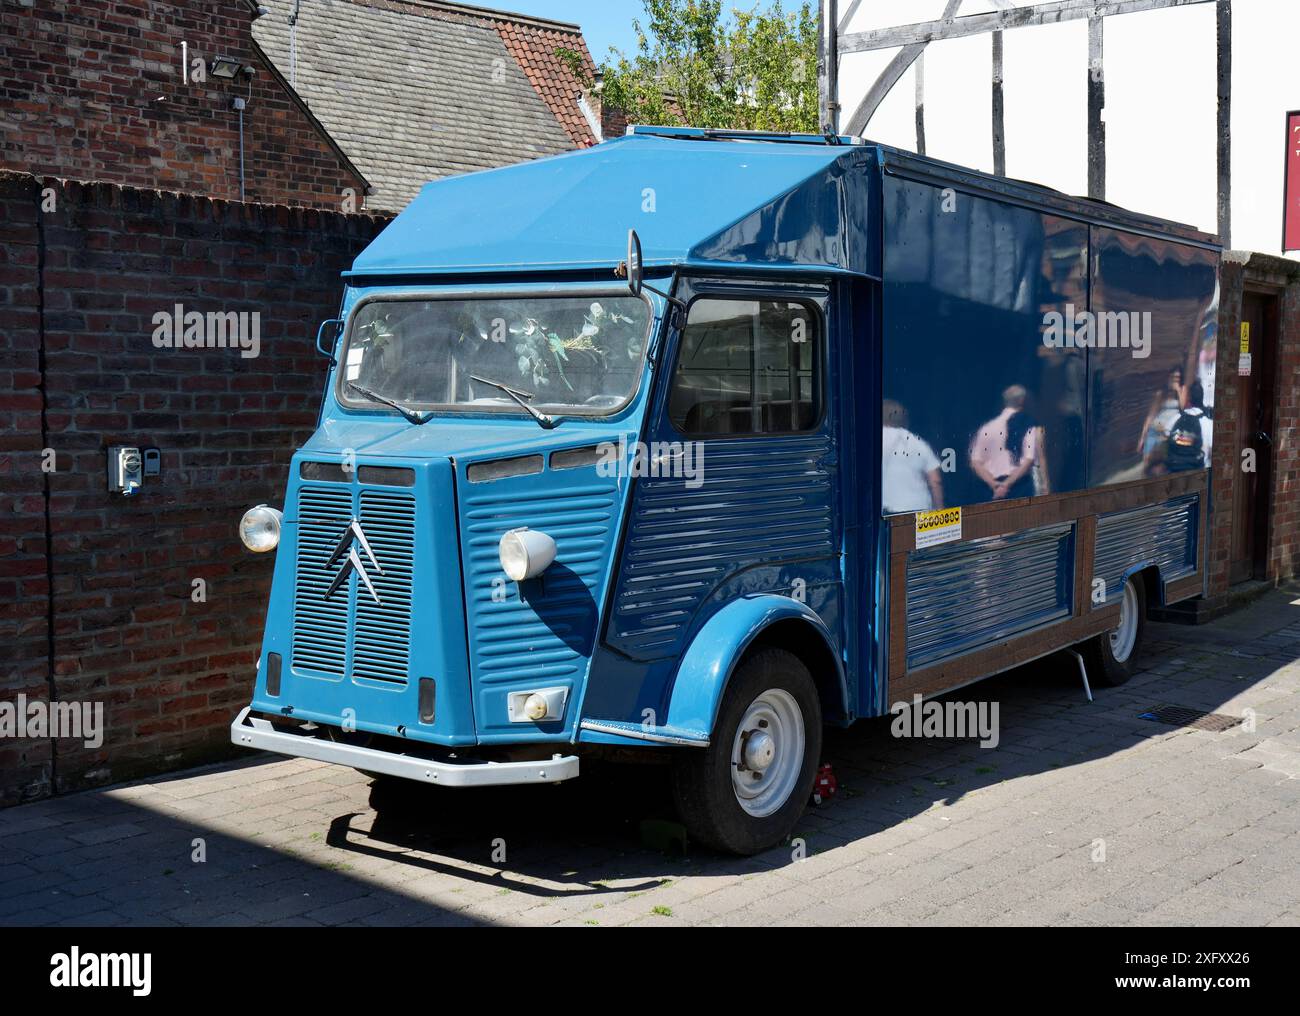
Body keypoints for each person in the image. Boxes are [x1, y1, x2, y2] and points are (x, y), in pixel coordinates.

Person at [969, 384, 1046, 501]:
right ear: (1022, 400)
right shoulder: (1028, 424)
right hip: (1020, 488)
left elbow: (975, 462)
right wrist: (1006, 485)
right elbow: (1029, 459)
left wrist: (995, 485)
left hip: (991, 492)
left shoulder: (987, 428)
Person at [881, 400, 945, 514]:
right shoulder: (917, 443)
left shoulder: (872, 441)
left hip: (884, 511)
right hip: (917, 508)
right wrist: (939, 510)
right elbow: (935, 480)